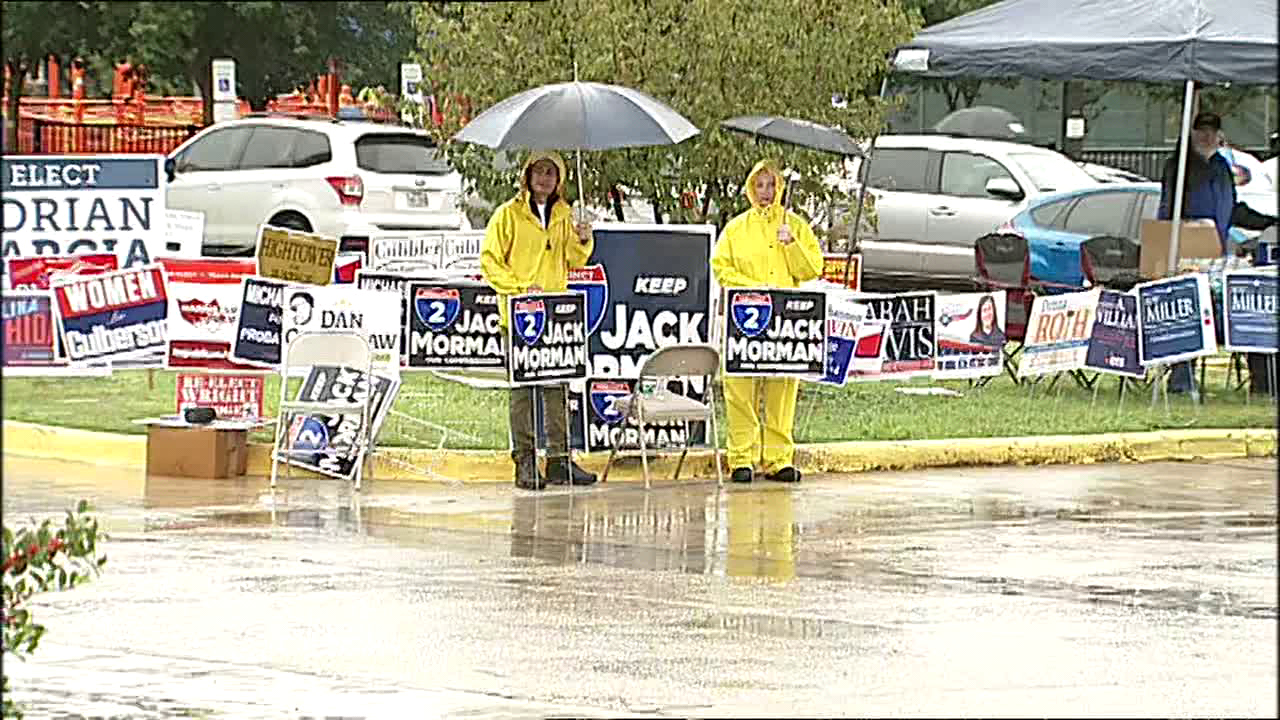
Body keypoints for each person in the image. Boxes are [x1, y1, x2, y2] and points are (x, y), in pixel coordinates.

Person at [481, 151, 598, 491]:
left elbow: (575, 260)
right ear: (527, 175)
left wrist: (583, 238)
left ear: (559, 180)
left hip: (555, 314)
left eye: (551, 172)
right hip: (520, 315)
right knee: (522, 393)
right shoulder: (507, 215)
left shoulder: (565, 216)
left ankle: (560, 460)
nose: (544, 178)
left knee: (557, 389)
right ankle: (526, 460)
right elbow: (490, 261)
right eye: (539, 171)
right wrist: (519, 288)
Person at [711, 160, 823, 484]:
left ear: (780, 188)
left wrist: (792, 245)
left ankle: (778, 459)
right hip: (744, 319)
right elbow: (721, 267)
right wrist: (753, 288)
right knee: (740, 390)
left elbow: (811, 269)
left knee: (781, 391)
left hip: (784, 323)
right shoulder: (736, 229)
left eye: (771, 185)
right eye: (759, 185)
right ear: (750, 188)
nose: (765, 192)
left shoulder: (795, 226)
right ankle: (741, 459)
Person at [1157, 111, 1277, 393]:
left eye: (1212, 130)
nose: (1207, 136)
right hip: (1184, 246)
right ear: (1192, 134)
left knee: (1236, 307)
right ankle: (1181, 380)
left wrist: (1268, 222)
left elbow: (1232, 210)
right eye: (1201, 130)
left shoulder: (1221, 166)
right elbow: (1168, 207)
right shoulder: (1180, 165)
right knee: (1186, 312)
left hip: (1215, 251)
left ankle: (1263, 381)